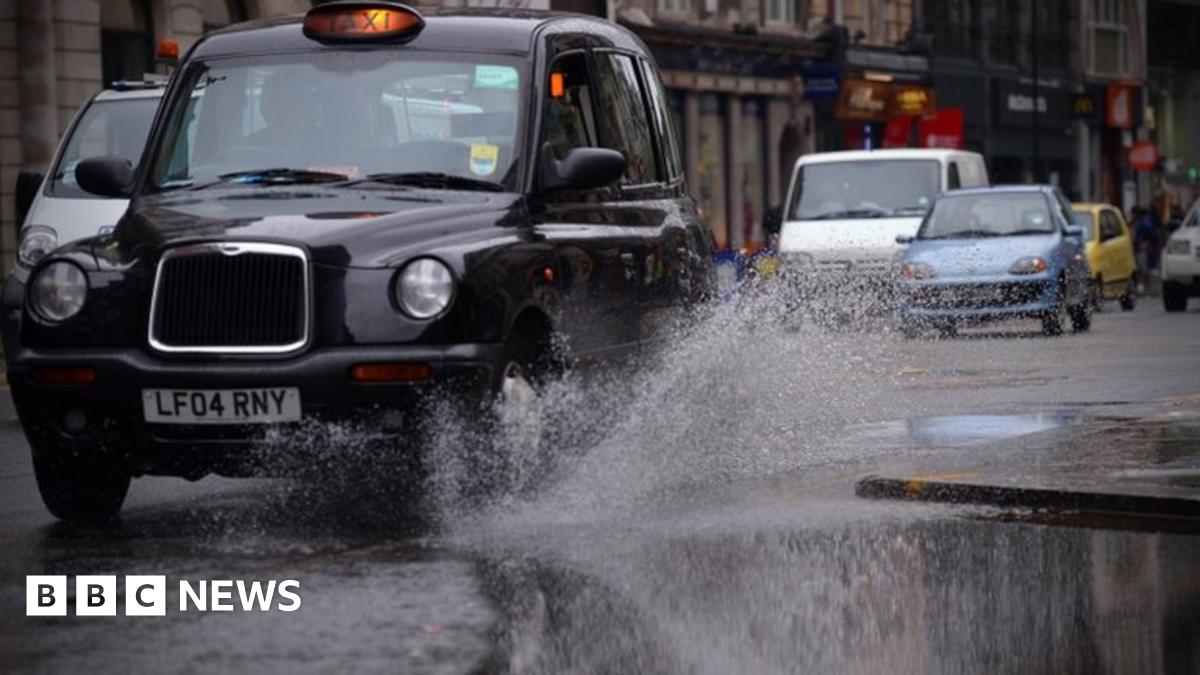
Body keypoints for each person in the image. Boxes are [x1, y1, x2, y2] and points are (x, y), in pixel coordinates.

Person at [1131, 207, 1158, 294]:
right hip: (1138, 248)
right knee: (1141, 267)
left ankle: (1143, 285)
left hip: (1141, 249)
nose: (1132, 215)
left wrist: (1147, 243)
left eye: (1133, 214)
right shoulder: (1139, 223)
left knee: (1143, 268)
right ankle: (1143, 285)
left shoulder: (1144, 223)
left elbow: (1152, 235)